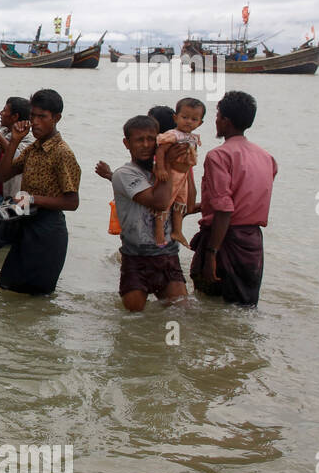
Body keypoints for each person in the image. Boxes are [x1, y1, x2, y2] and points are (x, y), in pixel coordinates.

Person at [189, 90, 277, 306]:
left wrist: (211, 254)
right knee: (243, 307)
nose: (216, 120)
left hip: (224, 239)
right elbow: (243, 198)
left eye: (218, 116)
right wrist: (196, 207)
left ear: (226, 121)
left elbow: (225, 208)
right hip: (252, 242)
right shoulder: (266, 157)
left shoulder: (218, 156)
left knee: (209, 308)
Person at [0, 88, 81, 295]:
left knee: (35, 295)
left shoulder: (62, 153)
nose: (34, 122)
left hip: (48, 231)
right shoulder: (33, 148)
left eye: (42, 117)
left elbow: (72, 203)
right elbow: (2, 176)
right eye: (33, 116)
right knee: (7, 287)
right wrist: (14, 140)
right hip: (26, 224)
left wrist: (33, 199)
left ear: (56, 118)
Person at [110, 115, 189, 311]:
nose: (146, 144)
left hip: (168, 255)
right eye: (139, 140)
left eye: (151, 139)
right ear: (126, 143)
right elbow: (160, 203)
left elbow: (189, 201)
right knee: (134, 319)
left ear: (159, 140)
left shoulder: (165, 172)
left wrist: (185, 167)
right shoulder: (124, 174)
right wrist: (168, 166)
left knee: (182, 314)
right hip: (136, 258)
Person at [152, 97, 204, 248]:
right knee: (166, 203)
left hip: (184, 175)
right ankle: (160, 233)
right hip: (173, 175)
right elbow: (160, 151)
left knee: (179, 202)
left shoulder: (192, 138)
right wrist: (161, 168)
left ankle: (177, 231)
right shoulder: (172, 136)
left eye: (194, 119)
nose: (189, 121)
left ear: (200, 123)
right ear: (176, 118)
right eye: (185, 117)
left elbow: (189, 204)